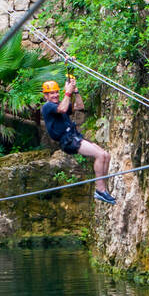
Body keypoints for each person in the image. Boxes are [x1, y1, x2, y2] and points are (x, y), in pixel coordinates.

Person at [41, 75, 116, 204]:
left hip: (74, 136)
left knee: (106, 155)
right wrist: (67, 92)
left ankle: (103, 188)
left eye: (56, 92)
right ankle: (100, 190)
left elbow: (80, 106)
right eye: (51, 93)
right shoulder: (48, 106)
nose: (55, 95)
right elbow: (62, 109)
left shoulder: (61, 103)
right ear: (46, 96)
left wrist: (75, 91)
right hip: (67, 140)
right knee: (99, 155)